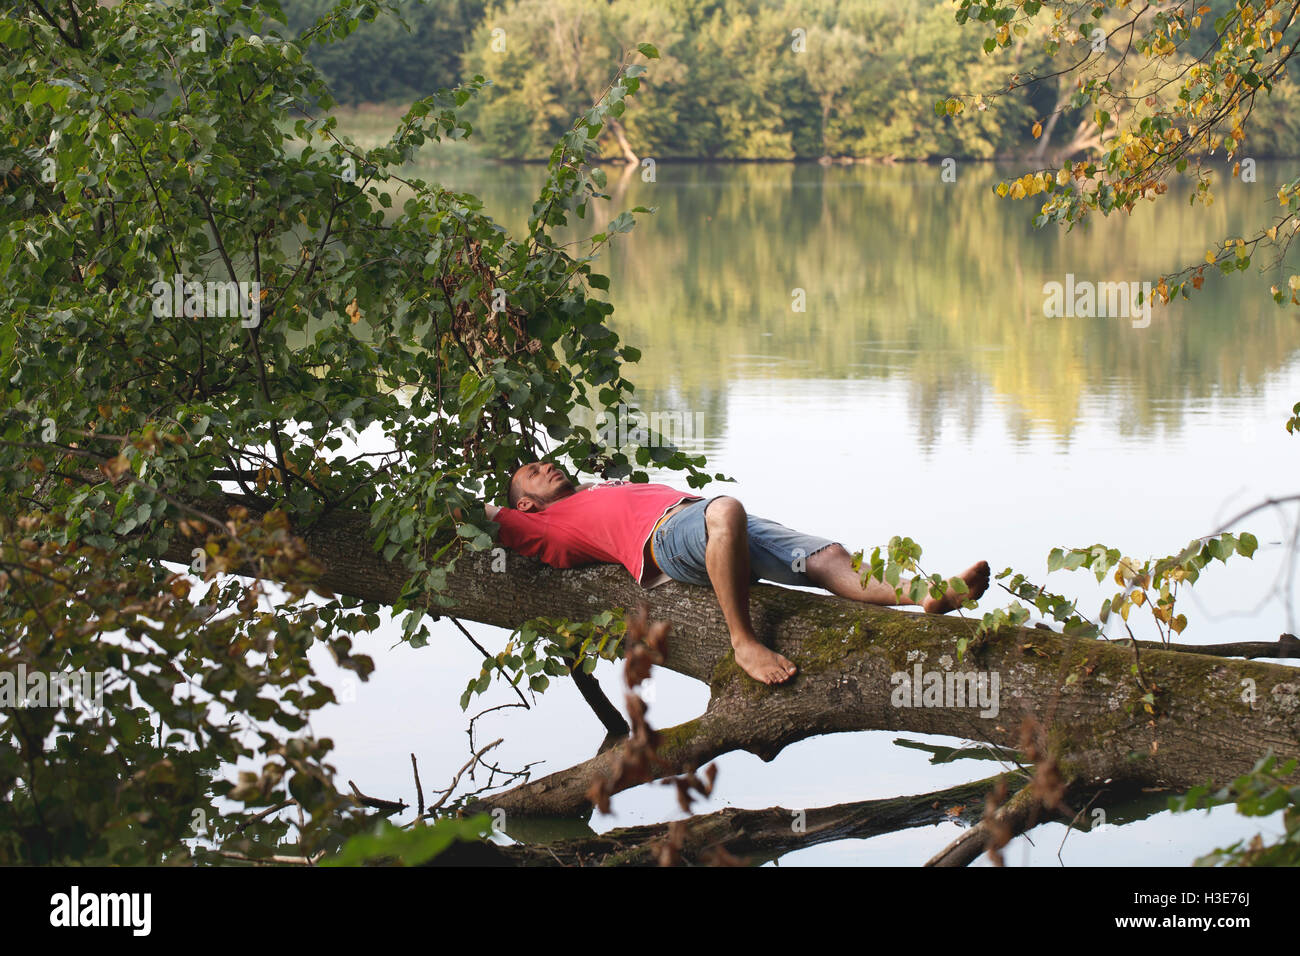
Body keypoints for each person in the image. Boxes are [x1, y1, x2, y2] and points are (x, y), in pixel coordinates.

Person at [484, 461, 990, 686]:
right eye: (533, 472)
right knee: (727, 509)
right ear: (525, 504)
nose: (547, 466)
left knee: (827, 557)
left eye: (544, 462)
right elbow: (471, 512)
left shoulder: (594, 490)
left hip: (699, 516)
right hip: (667, 538)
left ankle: (930, 594)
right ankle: (744, 642)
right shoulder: (541, 526)